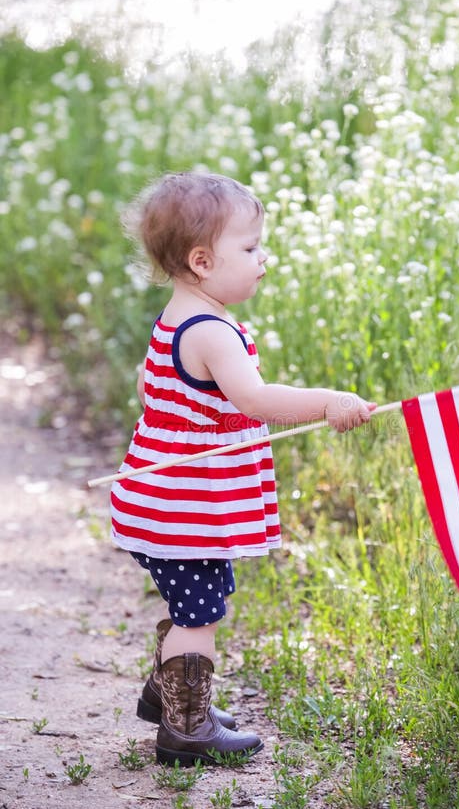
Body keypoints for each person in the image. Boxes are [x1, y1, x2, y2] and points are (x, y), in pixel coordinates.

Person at [110, 171, 376, 767]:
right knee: (198, 611)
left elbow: (148, 386)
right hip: (184, 508)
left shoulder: (179, 315)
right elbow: (255, 400)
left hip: (166, 498)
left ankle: (172, 693)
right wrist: (327, 402)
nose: (264, 259)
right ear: (201, 260)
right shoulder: (211, 330)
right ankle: (185, 728)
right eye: (251, 248)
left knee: (198, 599)